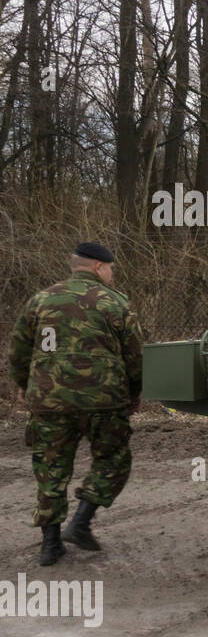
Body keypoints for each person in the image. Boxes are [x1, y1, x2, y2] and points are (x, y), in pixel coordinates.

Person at [8, 242, 143, 565]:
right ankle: (81, 523)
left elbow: (19, 349)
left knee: (50, 470)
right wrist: (134, 392)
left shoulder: (40, 300)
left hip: (49, 402)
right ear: (98, 267)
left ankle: (50, 544)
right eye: (110, 269)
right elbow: (135, 355)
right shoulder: (116, 303)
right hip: (104, 401)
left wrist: (24, 385)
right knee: (113, 460)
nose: (111, 275)